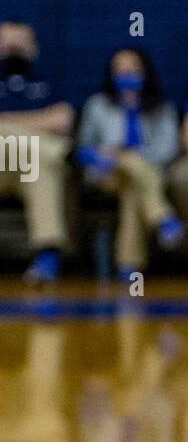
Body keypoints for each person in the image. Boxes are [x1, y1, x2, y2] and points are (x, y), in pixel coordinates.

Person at [0, 21, 75, 283]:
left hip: (31, 168)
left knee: (38, 164)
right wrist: (36, 127)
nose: (13, 50)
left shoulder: (46, 80)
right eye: (7, 44)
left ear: (33, 48)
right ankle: (61, 152)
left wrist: (6, 121)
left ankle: (47, 256)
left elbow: (63, 120)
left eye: (19, 44)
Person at [76, 48, 183, 281]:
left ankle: (129, 266)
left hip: (145, 173)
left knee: (133, 184)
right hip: (105, 175)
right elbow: (82, 149)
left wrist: (130, 155)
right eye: (120, 70)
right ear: (111, 75)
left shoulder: (161, 109)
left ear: (145, 73)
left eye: (132, 69)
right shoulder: (98, 106)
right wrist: (102, 156)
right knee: (132, 171)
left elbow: (168, 150)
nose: (126, 75)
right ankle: (162, 218)